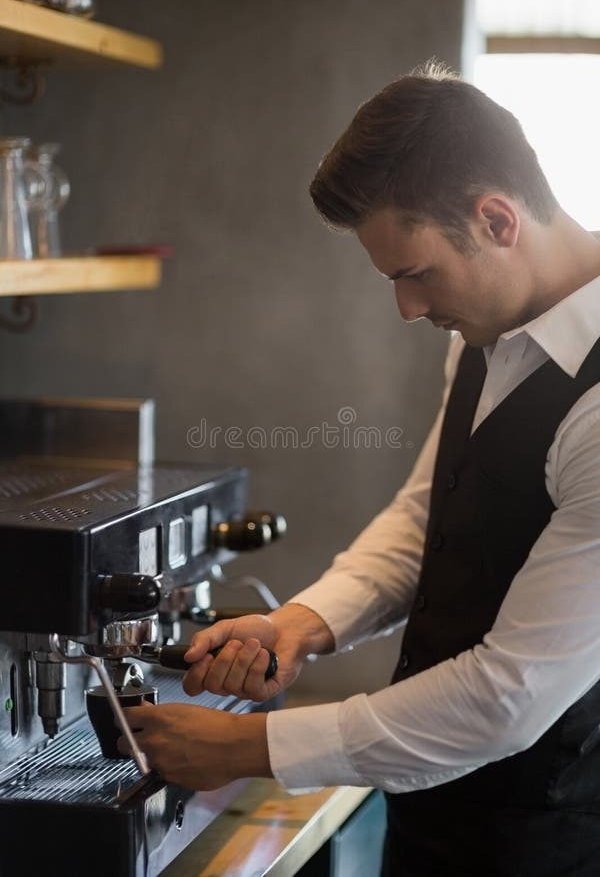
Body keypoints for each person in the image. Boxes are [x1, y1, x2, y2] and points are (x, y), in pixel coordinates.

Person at [120, 62, 600, 876]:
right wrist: (303, 626)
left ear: (496, 220)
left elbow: (507, 698)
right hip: (427, 812)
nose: (408, 310)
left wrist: (248, 743)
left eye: (414, 274)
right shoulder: (484, 336)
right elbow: (427, 519)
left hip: (545, 840)